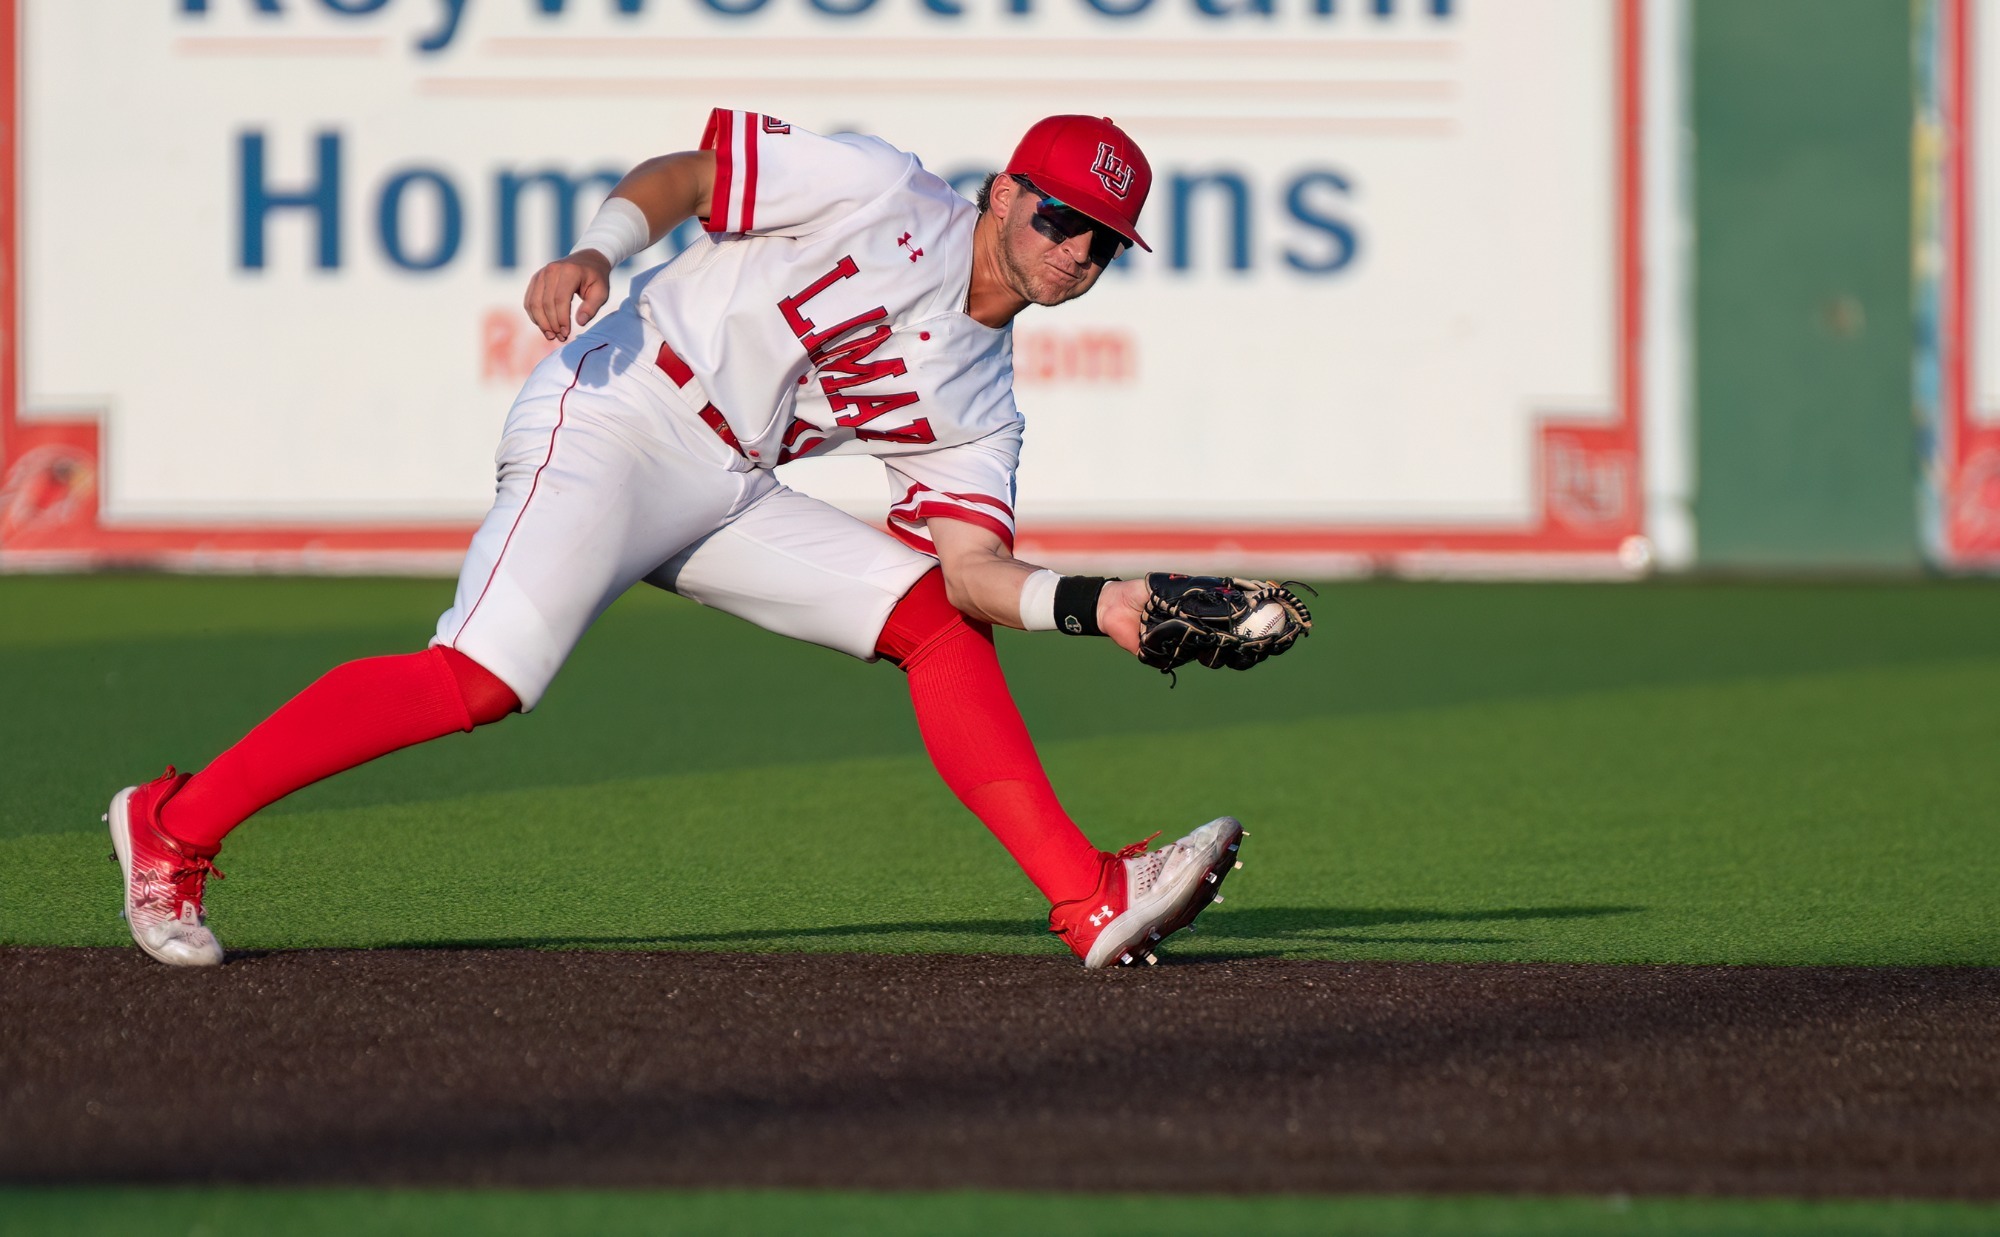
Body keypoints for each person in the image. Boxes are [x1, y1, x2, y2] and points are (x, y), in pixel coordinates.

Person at [107, 111, 1253, 973]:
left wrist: (1096, 601)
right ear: (1002, 193)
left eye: (1102, 242)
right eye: (1058, 216)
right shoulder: (881, 190)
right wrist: (600, 247)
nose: (1073, 250)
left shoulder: (983, 402)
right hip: (621, 406)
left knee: (935, 625)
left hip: (725, 483)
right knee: (480, 680)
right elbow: (691, 175)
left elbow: (972, 572)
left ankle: (1089, 897)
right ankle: (170, 825)